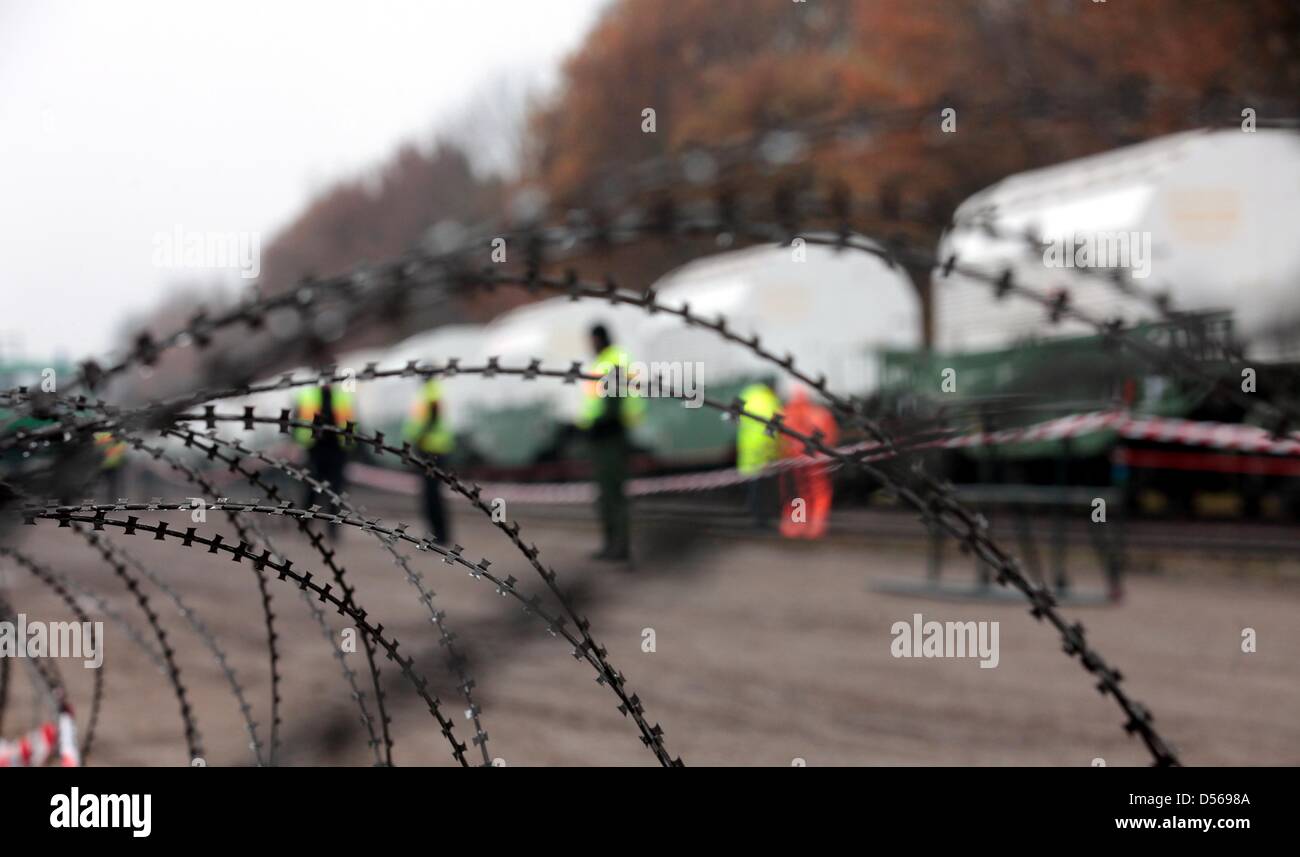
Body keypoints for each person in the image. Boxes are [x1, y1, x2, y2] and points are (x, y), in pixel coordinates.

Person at [575, 323, 644, 561]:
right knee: (607, 495)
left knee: (612, 494)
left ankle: (618, 546)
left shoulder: (612, 361)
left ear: (599, 338)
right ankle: (612, 545)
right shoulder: (606, 360)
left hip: (610, 436)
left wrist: (598, 425)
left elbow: (613, 402)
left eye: (591, 340)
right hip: (605, 435)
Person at [293, 380, 356, 540]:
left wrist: (351, 446)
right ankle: (306, 525)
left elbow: (351, 422)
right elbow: (297, 420)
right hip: (315, 449)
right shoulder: (307, 395)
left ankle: (333, 529)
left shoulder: (343, 397)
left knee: (336, 491)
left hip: (337, 449)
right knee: (312, 489)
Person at [779, 385, 839, 539]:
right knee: (818, 491)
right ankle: (816, 524)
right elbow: (831, 437)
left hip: (793, 460)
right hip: (816, 461)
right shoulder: (820, 413)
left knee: (797, 493)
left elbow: (780, 440)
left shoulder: (785, 413)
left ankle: (796, 524)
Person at [402, 377, 454, 543]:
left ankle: (438, 536)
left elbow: (428, 420)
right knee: (432, 496)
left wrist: (416, 438)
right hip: (434, 449)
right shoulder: (433, 391)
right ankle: (438, 534)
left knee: (431, 497)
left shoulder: (430, 392)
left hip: (430, 450)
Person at [737, 379, 782, 529]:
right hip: (765, 451)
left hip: (748, 450)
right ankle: (764, 521)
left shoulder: (747, 395)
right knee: (765, 489)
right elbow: (775, 429)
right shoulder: (771, 401)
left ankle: (757, 518)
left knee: (754, 487)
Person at [93, 431, 126, 500]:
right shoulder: (119, 436)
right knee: (112, 484)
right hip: (111, 465)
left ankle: (105, 499)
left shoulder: (97, 435)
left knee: (101, 484)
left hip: (103, 465)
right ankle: (111, 499)